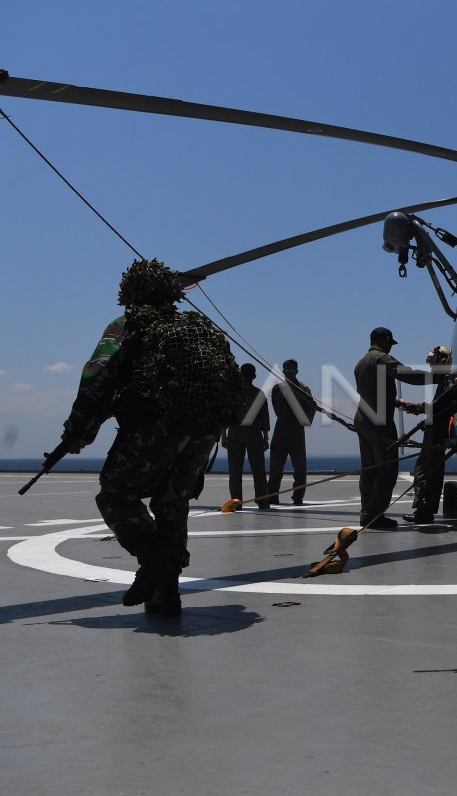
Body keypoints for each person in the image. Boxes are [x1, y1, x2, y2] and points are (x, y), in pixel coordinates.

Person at [59, 258, 242, 616]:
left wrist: (78, 430)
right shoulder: (197, 327)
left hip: (158, 426)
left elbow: (97, 377)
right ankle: (166, 594)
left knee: (115, 493)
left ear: (132, 292)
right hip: (206, 430)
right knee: (172, 502)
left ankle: (154, 560)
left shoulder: (129, 325)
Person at [354, 326, 427, 529]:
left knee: (369, 469)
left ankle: (366, 512)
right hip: (380, 423)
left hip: (362, 419)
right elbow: (409, 375)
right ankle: (375, 516)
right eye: (390, 343)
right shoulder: (381, 359)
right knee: (386, 469)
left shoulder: (360, 363)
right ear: (386, 340)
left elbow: (370, 392)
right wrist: (441, 376)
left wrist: (394, 402)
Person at [402, 345, 454, 525]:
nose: (431, 367)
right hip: (436, 430)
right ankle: (426, 510)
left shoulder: (448, 382)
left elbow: (440, 407)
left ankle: (424, 511)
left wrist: (415, 407)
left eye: (433, 363)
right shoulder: (447, 381)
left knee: (424, 471)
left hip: (436, 433)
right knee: (431, 471)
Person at [267, 359, 317, 505]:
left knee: (300, 468)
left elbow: (311, 407)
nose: (289, 373)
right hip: (280, 430)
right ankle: (272, 496)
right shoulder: (277, 389)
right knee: (275, 467)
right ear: (283, 371)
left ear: (297, 371)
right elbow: (278, 410)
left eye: (292, 370)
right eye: (286, 370)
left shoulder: (304, 389)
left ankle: (298, 497)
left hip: (297, 431)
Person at [223, 363, 271, 509]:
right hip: (253, 433)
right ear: (254, 376)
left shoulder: (232, 393)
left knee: (235, 470)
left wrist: (223, 435)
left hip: (235, 432)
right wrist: (265, 437)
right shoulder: (259, 393)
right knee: (258, 469)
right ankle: (262, 500)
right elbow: (265, 417)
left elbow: (224, 415)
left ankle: (236, 502)